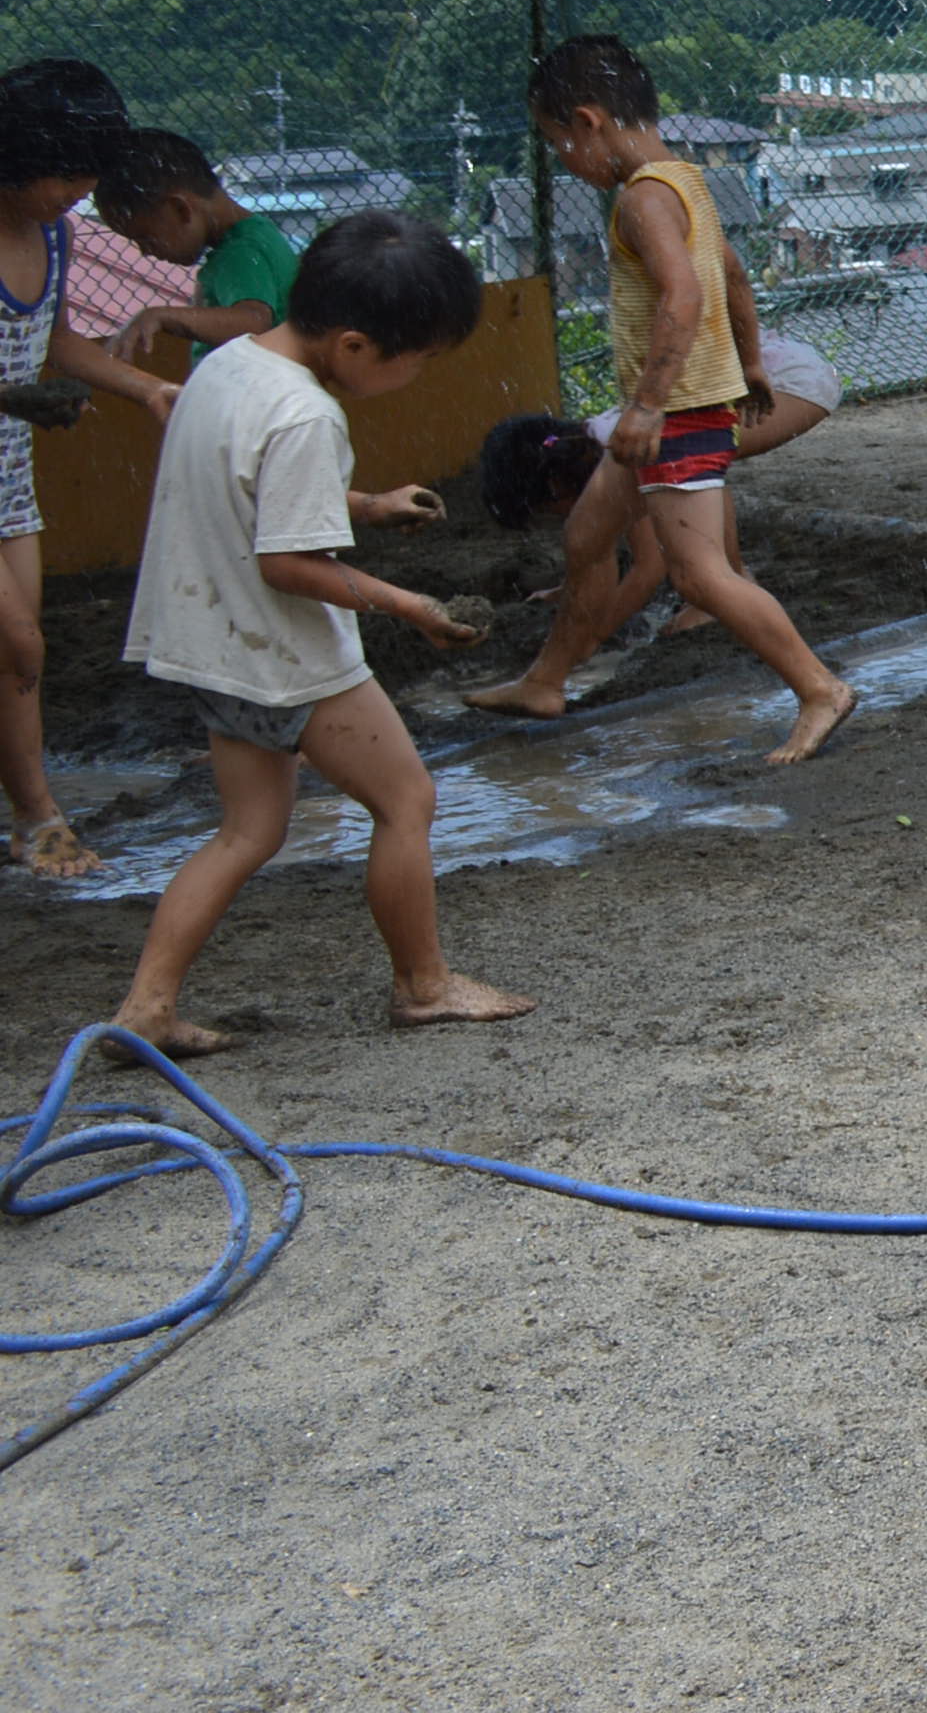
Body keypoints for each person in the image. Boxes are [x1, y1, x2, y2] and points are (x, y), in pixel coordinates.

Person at [108, 208, 531, 1054]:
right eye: (418, 359)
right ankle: (425, 986)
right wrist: (412, 605)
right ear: (354, 346)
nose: (418, 373)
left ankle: (145, 1009)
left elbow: (247, 486)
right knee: (405, 799)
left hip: (208, 643)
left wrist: (366, 506)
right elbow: (290, 564)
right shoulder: (309, 416)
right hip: (284, 652)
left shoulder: (231, 364)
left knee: (247, 831)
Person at [529, 36, 859, 763]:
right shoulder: (685, 180)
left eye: (558, 146)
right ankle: (544, 680)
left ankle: (818, 689)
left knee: (699, 576)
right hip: (687, 403)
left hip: (674, 413)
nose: (565, 163)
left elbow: (685, 292)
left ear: (588, 122)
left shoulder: (642, 198)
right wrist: (748, 361)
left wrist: (646, 406)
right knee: (586, 536)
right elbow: (735, 275)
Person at [456, 323, 842, 718]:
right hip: (796, 373)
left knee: (687, 568)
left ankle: (812, 682)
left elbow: (648, 565)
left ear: (555, 482)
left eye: (544, 509)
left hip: (787, 388)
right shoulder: (604, 436)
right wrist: (569, 590)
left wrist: (598, 634)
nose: (553, 517)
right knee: (627, 526)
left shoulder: (627, 447)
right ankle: (546, 679)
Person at [1, 59, 185, 877]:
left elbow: (55, 342)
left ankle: (33, 820)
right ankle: (38, 814)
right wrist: (18, 398)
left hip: (9, 477)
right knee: (21, 645)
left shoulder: (54, 231)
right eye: (66, 175)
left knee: (13, 663)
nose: (79, 191)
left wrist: (149, 390)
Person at [93, 129, 301, 363]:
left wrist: (163, 315)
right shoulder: (256, 231)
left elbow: (253, 321)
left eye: (146, 237)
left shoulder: (240, 253)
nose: (145, 251)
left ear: (181, 209)